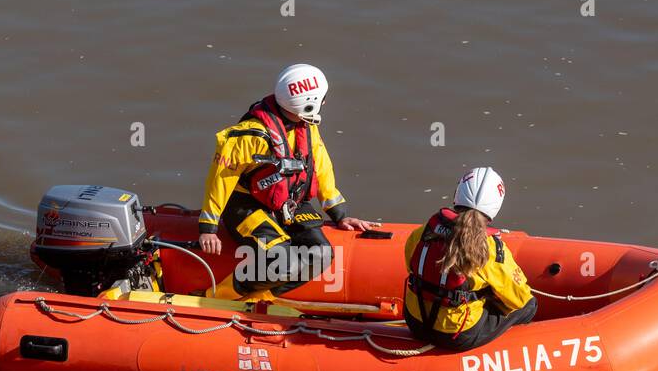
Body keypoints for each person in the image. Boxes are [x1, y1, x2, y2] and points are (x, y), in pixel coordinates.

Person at [198, 63, 373, 300]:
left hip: (289, 200)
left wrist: (339, 214)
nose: (325, 103)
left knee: (322, 254)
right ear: (308, 103)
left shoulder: (306, 127)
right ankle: (219, 297)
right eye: (322, 99)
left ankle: (263, 294)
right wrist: (208, 228)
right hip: (246, 204)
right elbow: (221, 178)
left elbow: (321, 167)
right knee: (286, 261)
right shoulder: (250, 135)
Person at [404, 167, 537, 350]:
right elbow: (519, 298)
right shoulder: (491, 248)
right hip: (457, 334)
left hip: (415, 321)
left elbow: (409, 264)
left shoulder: (425, 231)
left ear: (457, 194)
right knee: (530, 305)